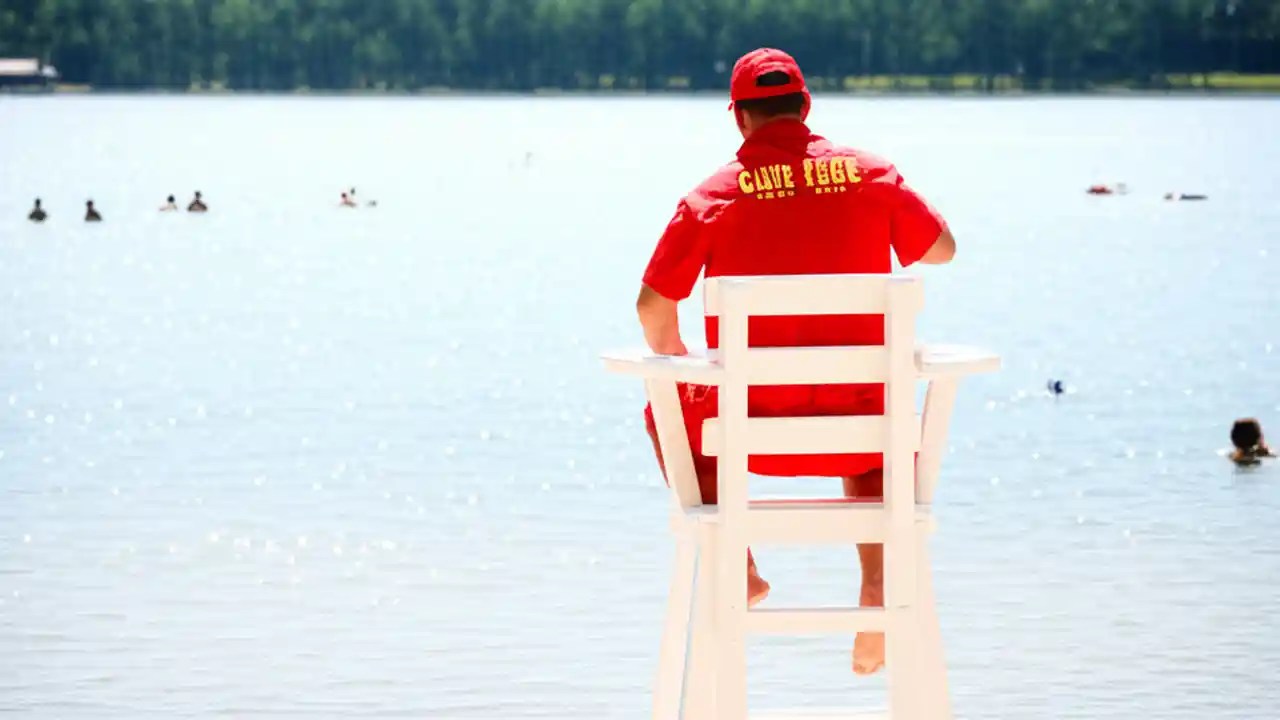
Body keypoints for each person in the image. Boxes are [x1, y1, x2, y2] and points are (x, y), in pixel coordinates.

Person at [635, 48, 955, 676]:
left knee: (664, 406)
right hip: (863, 432)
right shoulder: (872, 173)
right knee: (876, 420)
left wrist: (679, 359)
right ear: (805, 107)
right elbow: (940, 250)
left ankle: (742, 565)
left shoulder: (713, 195)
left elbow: (652, 309)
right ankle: (877, 582)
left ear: (740, 120)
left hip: (746, 435)